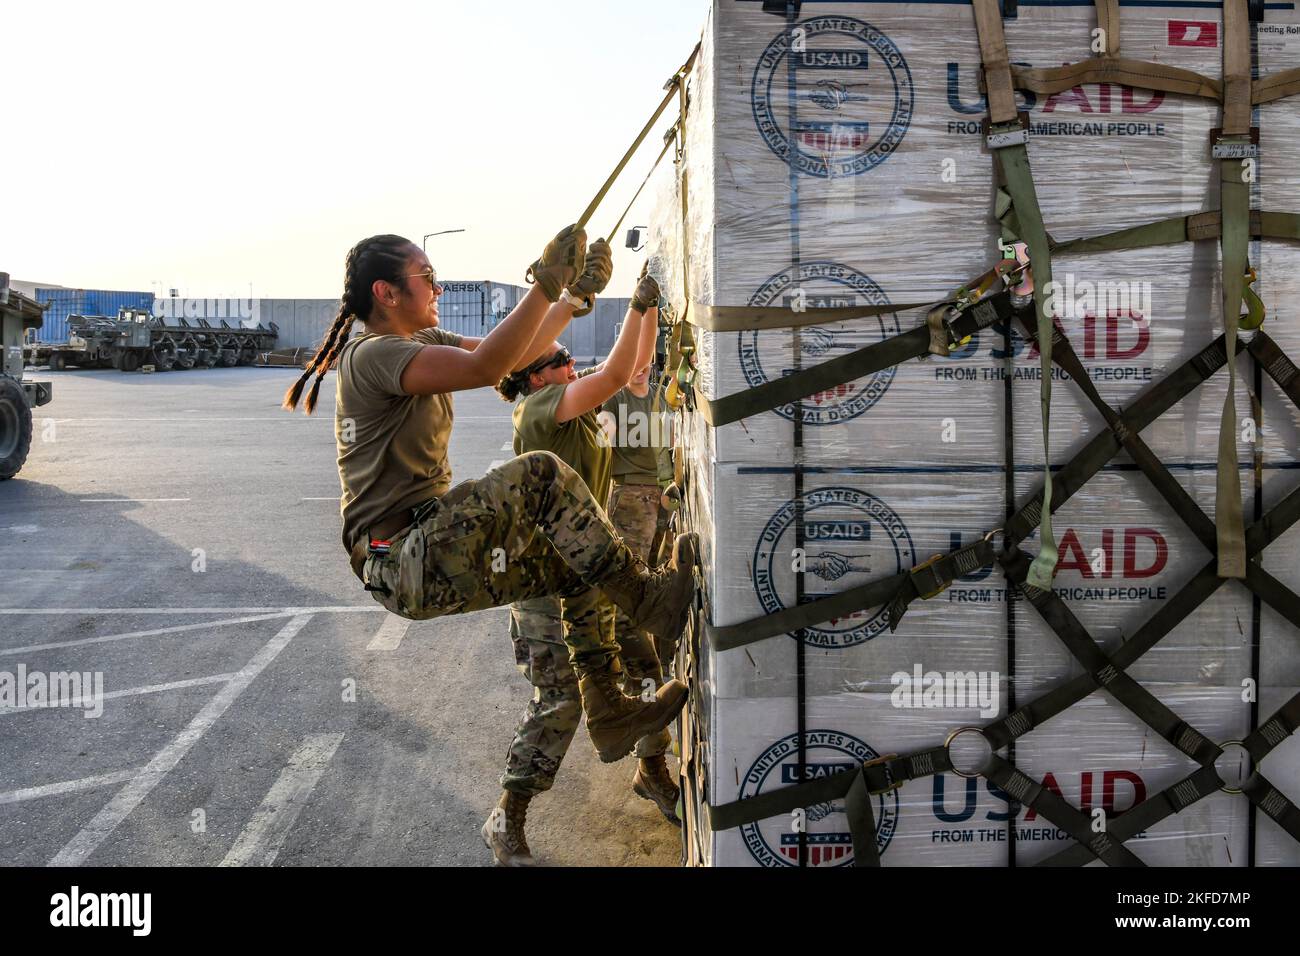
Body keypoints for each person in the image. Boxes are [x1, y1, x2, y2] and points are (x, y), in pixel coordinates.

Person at [281, 227, 699, 811]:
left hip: (427, 547)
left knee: (573, 558)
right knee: (542, 476)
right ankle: (648, 601)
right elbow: (486, 366)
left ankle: (607, 707)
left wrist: (572, 300)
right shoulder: (374, 354)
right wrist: (548, 282)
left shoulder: (419, 337)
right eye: (427, 276)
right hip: (402, 554)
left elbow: (516, 352)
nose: (438, 286)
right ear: (387, 291)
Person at [486, 264, 673, 865]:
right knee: (559, 698)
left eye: (568, 359)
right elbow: (618, 371)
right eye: (562, 359)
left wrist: (645, 311)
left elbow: (634, 371)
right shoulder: (543, 410)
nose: (573, 364)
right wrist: (638, 304)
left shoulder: (566, 403)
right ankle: (507, 818)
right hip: (544, 581)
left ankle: (653, 769)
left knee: (642, 657)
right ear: (534, 376)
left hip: (587, 571)